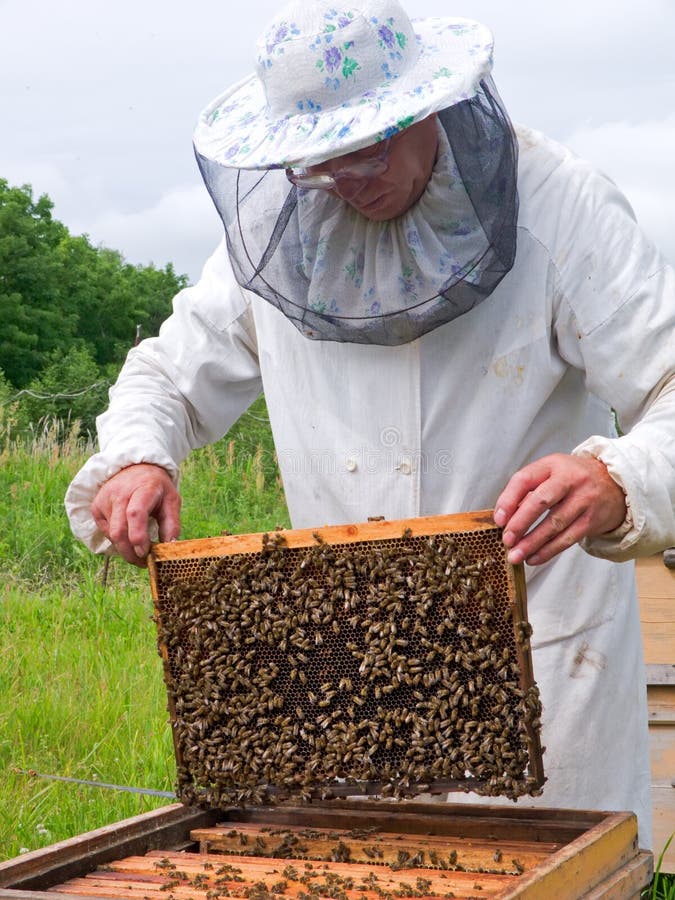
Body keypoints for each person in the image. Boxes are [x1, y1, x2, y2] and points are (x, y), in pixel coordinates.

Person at [65, 0, 675, 848]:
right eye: (315, 164)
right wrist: (138, 457)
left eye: (366, 148)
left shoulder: (557, 203)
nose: (345, 179)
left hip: (545, 655)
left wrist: (618, 479)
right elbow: (167, 372)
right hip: (348, 673)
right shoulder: (276, 233)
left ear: (428, 107)